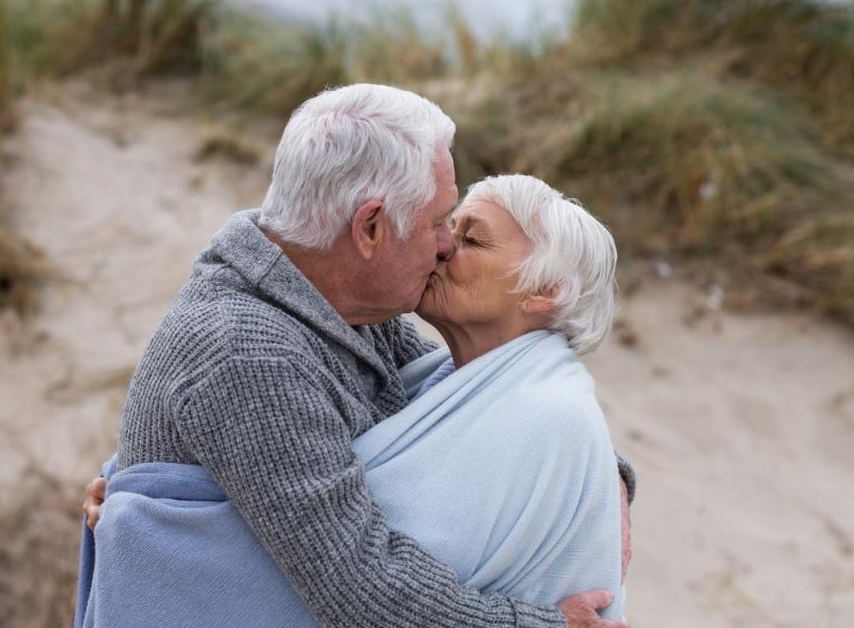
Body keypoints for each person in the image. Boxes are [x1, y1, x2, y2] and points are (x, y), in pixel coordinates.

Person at [77, 84, 634, 628]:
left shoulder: (346, 306)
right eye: (438, 222)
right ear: (369, 227)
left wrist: (602, 478)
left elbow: (476, 393)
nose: (445, 245)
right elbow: (363, 593)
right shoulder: (247, 354)